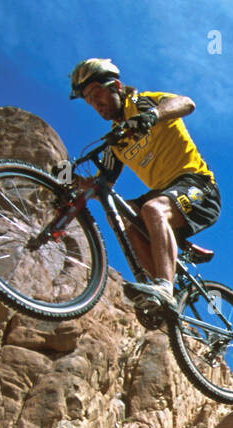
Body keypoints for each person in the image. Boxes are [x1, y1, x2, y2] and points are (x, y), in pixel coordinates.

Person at [68, 57, 221, 315]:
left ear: (116, 85)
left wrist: (152, 116)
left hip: (198, 184)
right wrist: (70, 184)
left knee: (152, 210)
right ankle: (159, 293)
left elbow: (186, 103)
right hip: (165, 194)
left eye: (97, 94)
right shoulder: (117, 140)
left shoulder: (143, 103)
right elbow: (102, 184)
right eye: (89, 101)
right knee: (123, 213)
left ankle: (164, 286)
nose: (96, 104)